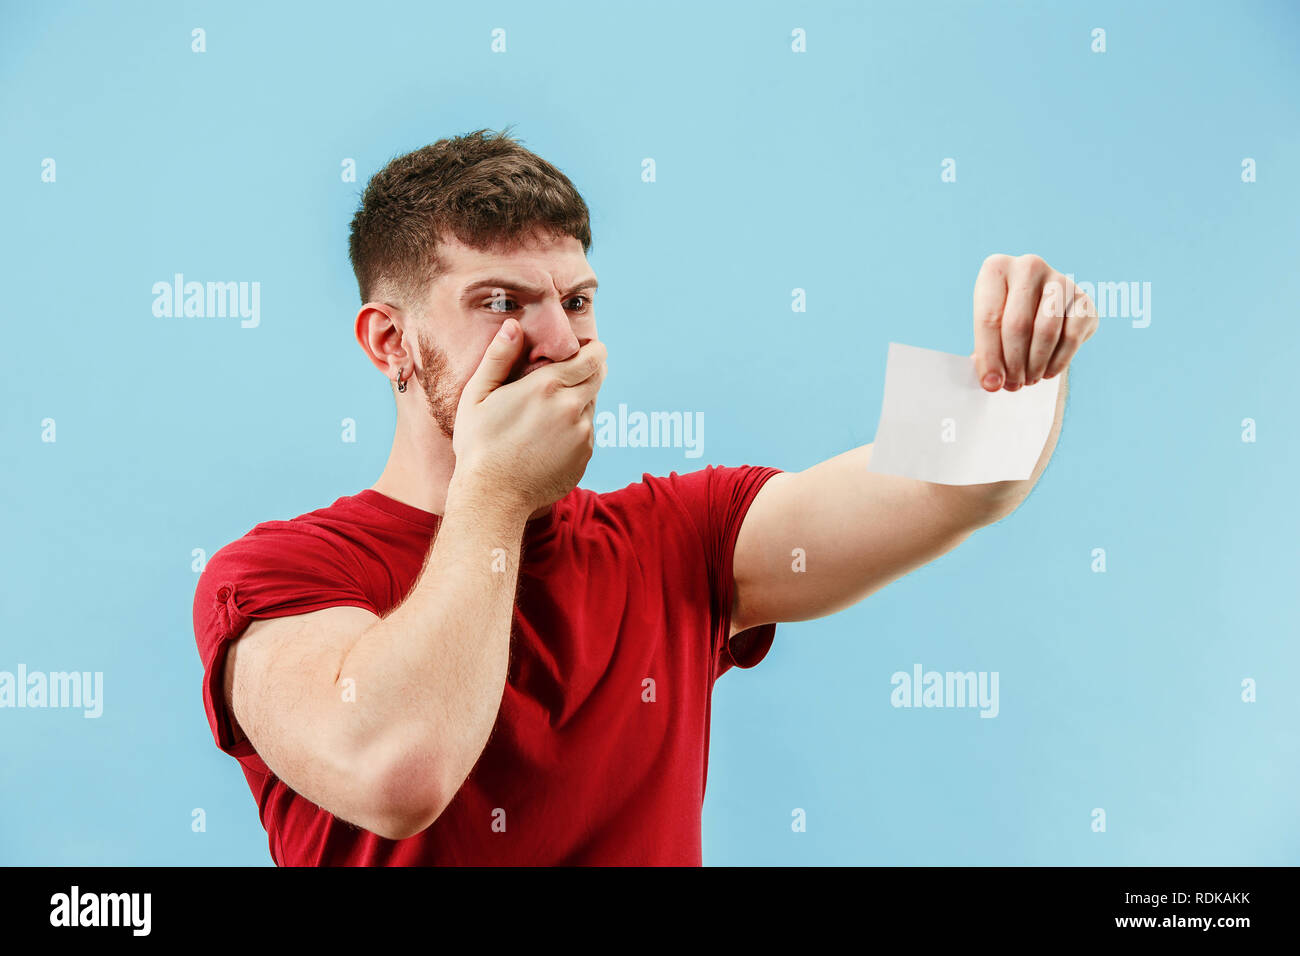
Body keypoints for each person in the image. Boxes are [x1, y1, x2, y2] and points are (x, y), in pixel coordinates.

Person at [191, 127, 1097, 865]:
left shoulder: (677, 538)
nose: (559, 342)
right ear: (390, 343)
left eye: (578, 302)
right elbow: (399, 771)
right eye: (502, 303)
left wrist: (1020, 364)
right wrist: (496, 492)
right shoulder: (276, 576)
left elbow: (961, 483)